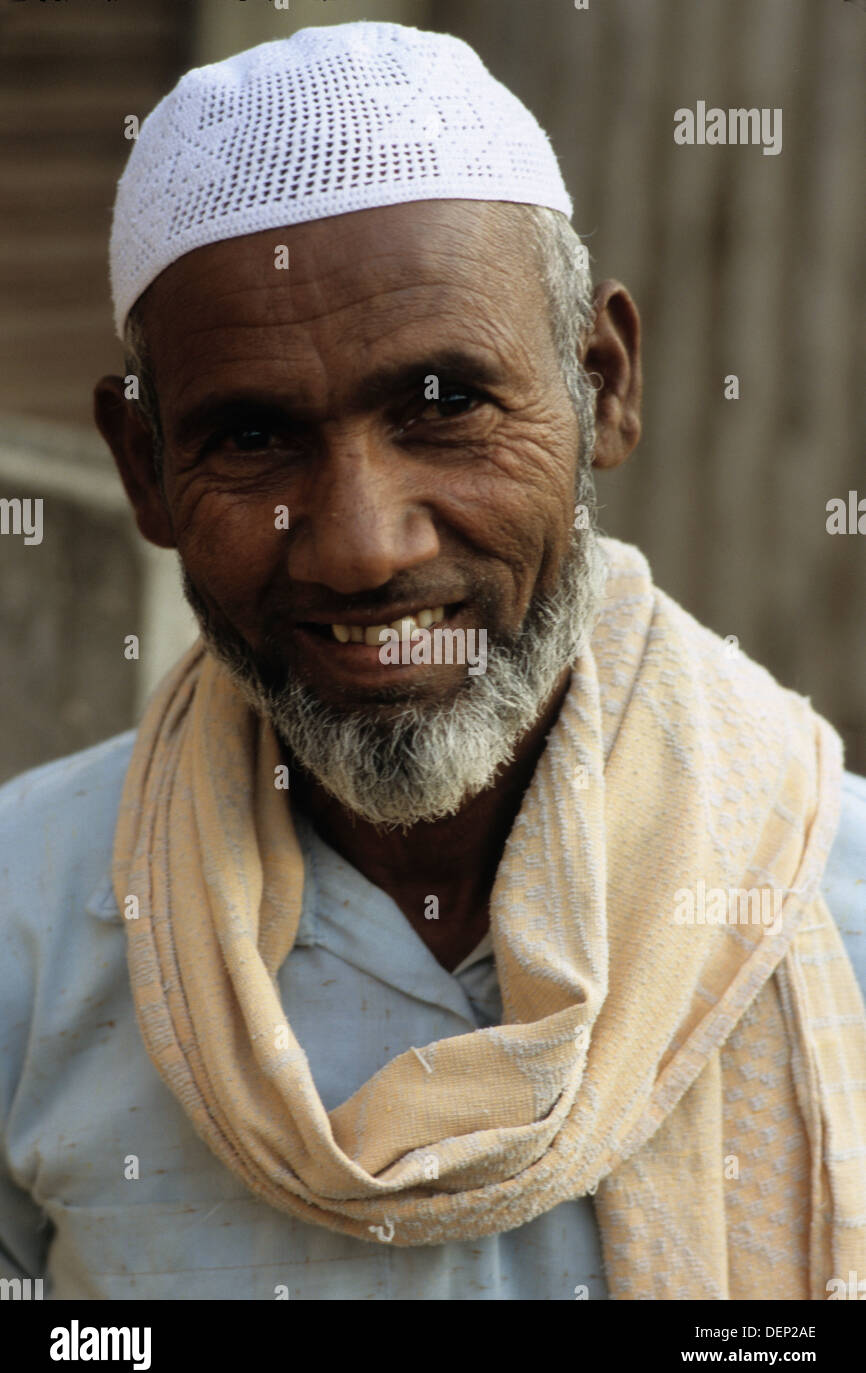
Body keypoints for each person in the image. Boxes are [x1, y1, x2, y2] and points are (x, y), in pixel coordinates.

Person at [1, 21, 864, 1302]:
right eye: (252, 434)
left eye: (445, 405)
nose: (360, 548)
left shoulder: (829, 909)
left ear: (601, 387)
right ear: (145, 471)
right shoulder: (27, 924)